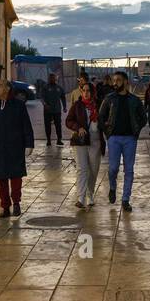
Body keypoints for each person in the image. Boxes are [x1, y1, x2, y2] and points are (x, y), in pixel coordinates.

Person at [0, 79, 34, 218]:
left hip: (16, 147)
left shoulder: (19, 106)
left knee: (16, 177)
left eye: (0, 86)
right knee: (0, 178)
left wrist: (29, 144)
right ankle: (5, 206)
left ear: (8, 88)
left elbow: (26, 126)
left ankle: (16, 203)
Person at [99, 70, 146, 212]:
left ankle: (125, 199)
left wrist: (136, 131)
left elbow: (143, 118)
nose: (115, 83)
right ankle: (112, 188)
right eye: (114, 80)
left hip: (130, 139)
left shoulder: (134, 100)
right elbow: (101, 117)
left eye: (118, 80)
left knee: (129, 169)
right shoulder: (109, 98)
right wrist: (108, 133)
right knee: (113, 168)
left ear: (126, 82)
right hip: (114, 139)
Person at [65, 76, 104, 208]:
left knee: (93, 169)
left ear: (93, 93)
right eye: (84, 90)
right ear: (81, 92)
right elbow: (68, 121)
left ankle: (90, 193)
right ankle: (80, 198)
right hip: (80, 142)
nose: (86, 93)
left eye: (88, 91)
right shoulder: (77, 106)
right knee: (82, 169)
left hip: (95, 141)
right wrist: (78, 127)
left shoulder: (99, 105)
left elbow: (105, 121)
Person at [42, 73, 67, 146]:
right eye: (50, 78)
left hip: (57, 110)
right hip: (47, 111)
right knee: (47, 126)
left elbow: (63, 97)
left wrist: (64, 107)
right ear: (48, 79)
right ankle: (48, 140)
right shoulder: (45, 87)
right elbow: (42, 98)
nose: (52, 79)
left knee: (58, 125)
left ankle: (59, 140)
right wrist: (45, 104)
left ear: (56, 79)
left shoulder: (59, 88)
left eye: (53, 78)